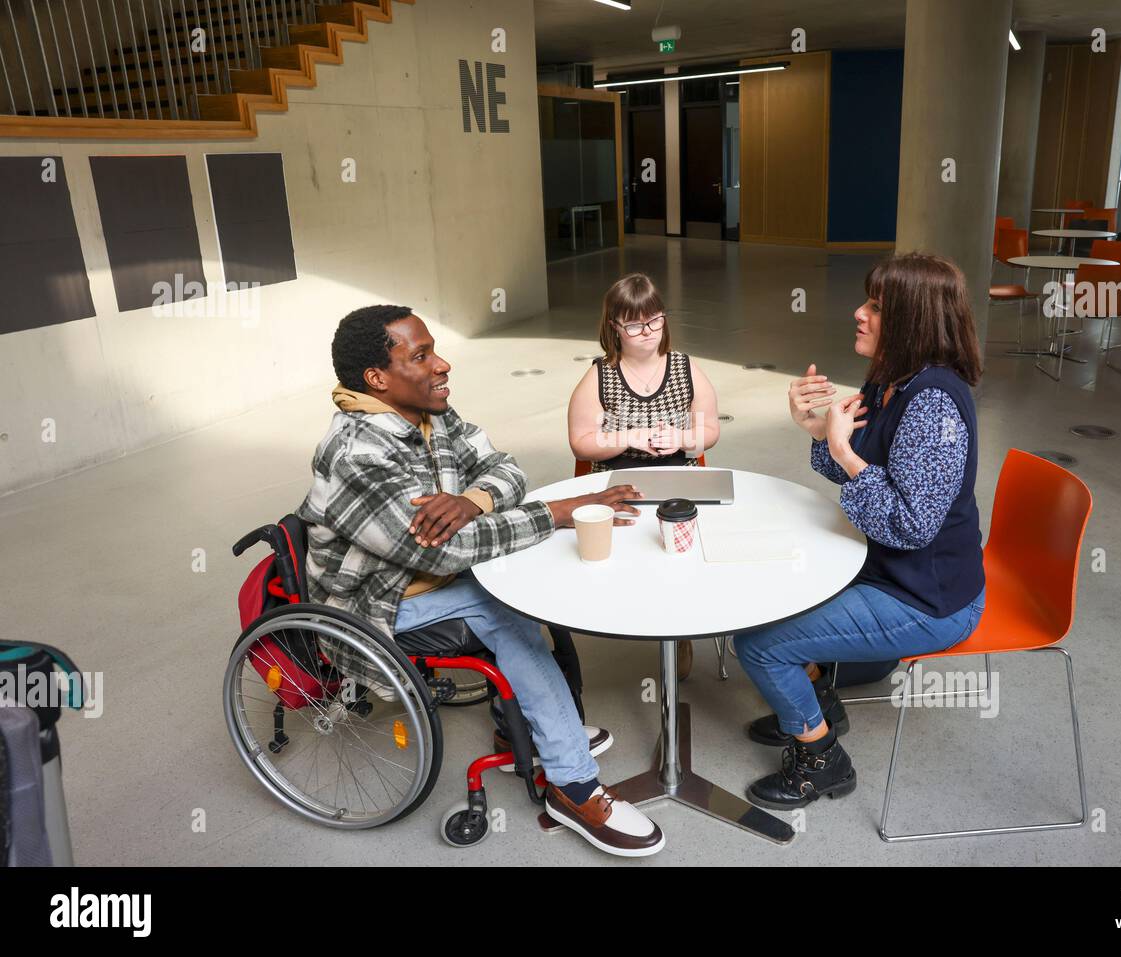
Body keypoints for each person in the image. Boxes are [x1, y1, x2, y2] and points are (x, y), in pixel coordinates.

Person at [298, 304, 665, 857]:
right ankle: (573, 787)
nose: (442, 364)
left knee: (534, 579)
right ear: (377, 379)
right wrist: (562, 511)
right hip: (376, 606)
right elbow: (449, 552)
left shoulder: (428, 411)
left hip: (428, 578)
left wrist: (473, 498)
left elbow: (506, 467)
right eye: (420, 356)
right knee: (507, 611)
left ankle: (526, 728)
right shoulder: (358, 453)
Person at [733, 253, 988, 810]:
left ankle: (821, 758)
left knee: (758, 645)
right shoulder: (892, 381)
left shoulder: (934, 405)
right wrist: (819, 432)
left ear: (913, 322)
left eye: (876, 307)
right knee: (770, 596)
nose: (858, 313)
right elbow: (859, 471)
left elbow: (909, 525)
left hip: (929, 599)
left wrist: (843, 449)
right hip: (882, 570)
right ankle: (819, 703)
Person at [567, 273, 720, 679]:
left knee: (678, 545)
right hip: (619, 479)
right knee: (635, 548)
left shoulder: (685, 367)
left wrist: (682, 437)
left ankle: (678, 630)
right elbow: (581, 443)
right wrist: (628, 436)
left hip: (677, 476)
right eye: (635, 325)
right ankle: (643, 612)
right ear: (614, 328)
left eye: (655, 321)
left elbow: (709, 434)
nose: (648, 332)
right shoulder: (600, 374)